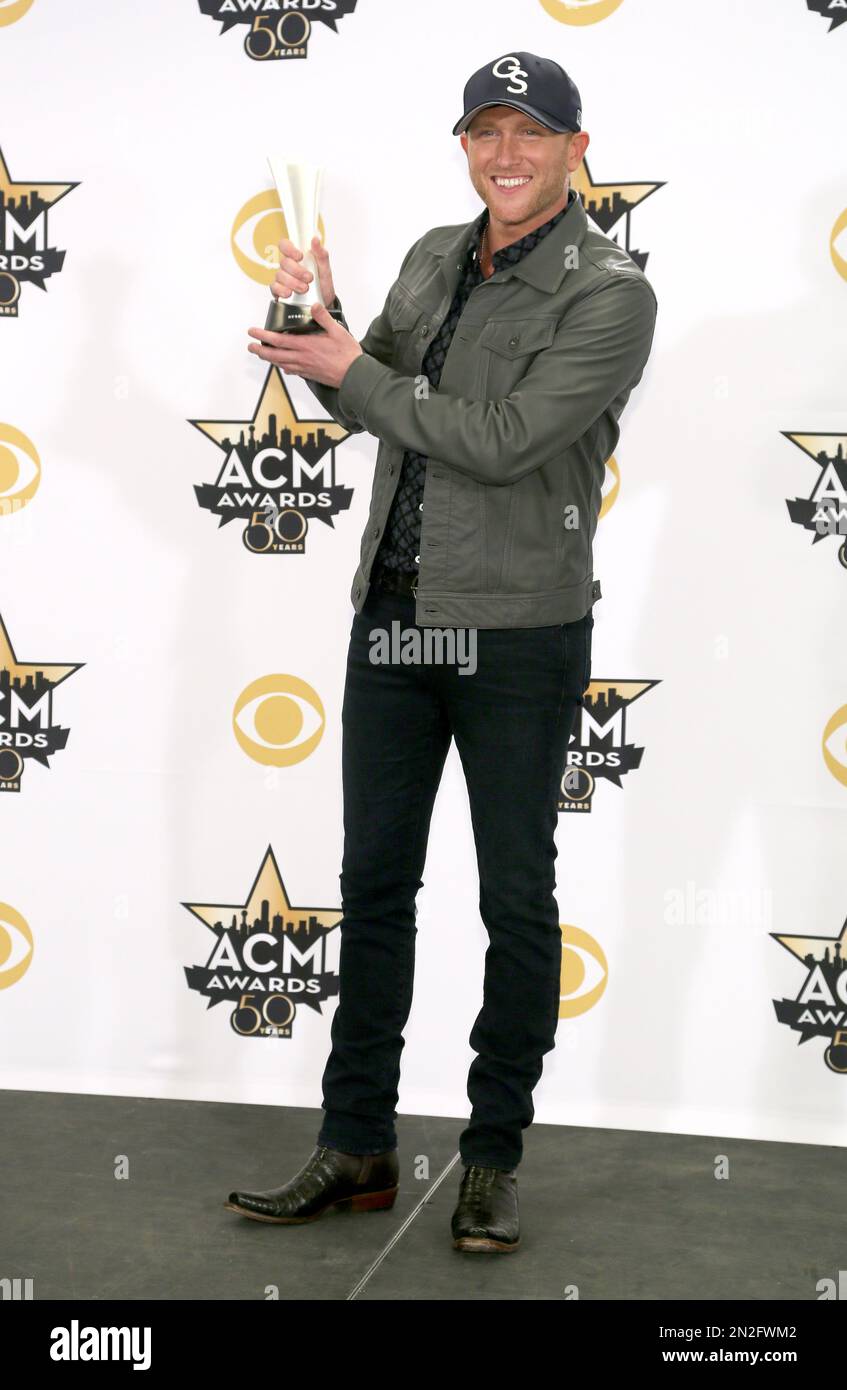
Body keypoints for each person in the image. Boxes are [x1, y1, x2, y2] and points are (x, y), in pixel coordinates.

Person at [227, 51, 657, 1254]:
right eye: (484, 133)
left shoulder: (611, 290)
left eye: (529, 134)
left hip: (517, 631)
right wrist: (304, 316)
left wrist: (352, 368)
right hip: (397, 618)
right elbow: (361, 393)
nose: (504, 155)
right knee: (374, 886)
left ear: (577, 148)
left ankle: (490, 1157)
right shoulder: (430, 254)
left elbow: (506, 439)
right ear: (464, 145)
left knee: (514, 897)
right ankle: (355, 1141)